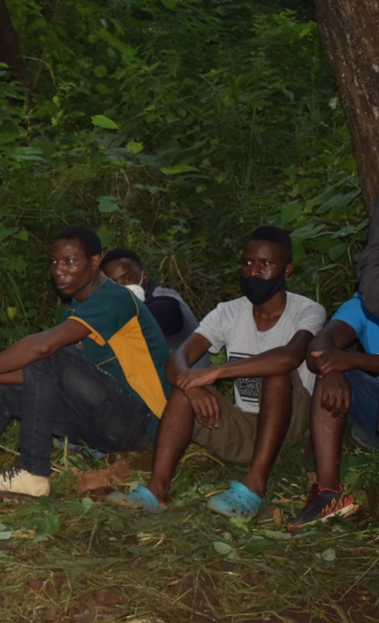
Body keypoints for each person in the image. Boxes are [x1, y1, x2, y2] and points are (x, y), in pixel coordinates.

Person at [0, 226, 171, 502]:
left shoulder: (115, 299)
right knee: (6, 392)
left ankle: (32, 472)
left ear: (95, 262)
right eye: (54, 262)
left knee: (45, 353)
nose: (58, 270)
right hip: (105, 424)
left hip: (143, 423)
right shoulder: (76, 308)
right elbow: (46, 376)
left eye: (70, 261)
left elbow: (43, 349)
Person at [112, 227, 325, 517]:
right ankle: (156, 491)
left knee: (276, 372)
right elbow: (178, 359)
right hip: (244, 427)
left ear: (287, 269)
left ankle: (255, 487)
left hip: (292, 428)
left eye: (265, 264)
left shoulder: (307, 310)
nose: (253, 271)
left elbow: (290, 356)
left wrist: (214, 373)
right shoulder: (229, 312)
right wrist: (193, 387)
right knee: (183, 388)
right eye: (247, 263)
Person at [286, 293, 379, 529]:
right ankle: (329, 493)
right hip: (373, 411)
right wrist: (333, 368)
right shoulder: (364, 303)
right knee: (329, 371)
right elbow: (319, 345)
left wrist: (354, 359)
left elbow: (353, 360)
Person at [100, 248, 205, 364]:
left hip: (188, 377)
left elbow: (164, 317)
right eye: (114, 283)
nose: (122, 287)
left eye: (127, 278)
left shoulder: (167, 298)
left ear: (144, 274)